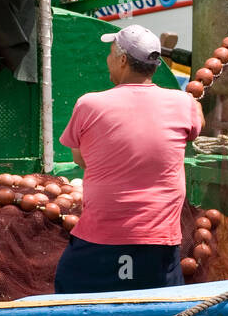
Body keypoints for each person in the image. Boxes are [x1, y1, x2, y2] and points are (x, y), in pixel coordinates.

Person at [54, 24, 205, 294]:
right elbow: (196, 128)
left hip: (99, 242)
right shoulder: (185, 104)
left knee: (67, 293)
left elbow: (81, 159)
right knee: (160, 310)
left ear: (123, 60)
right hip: (160, 245)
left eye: (111, 53)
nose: (108, 59)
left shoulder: (89, 104)